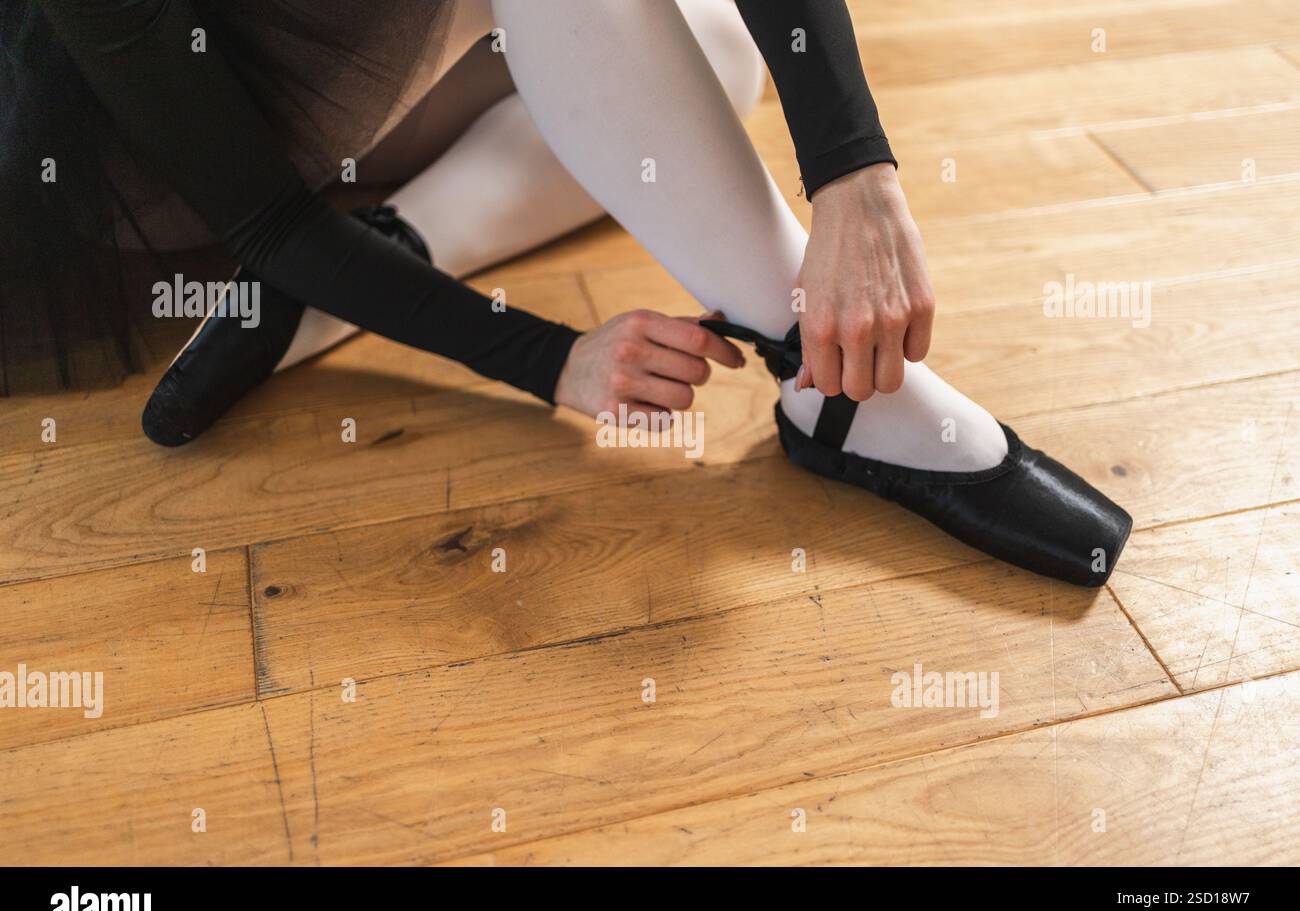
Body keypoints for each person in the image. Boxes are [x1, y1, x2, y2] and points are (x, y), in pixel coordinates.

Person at [4, 0, 1131, 586]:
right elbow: (267, 218)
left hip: (333, 85)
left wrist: (854, 167)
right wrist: (551, 359)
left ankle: (392, 251)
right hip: (140, 159)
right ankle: (837, 386)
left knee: (718, 48)